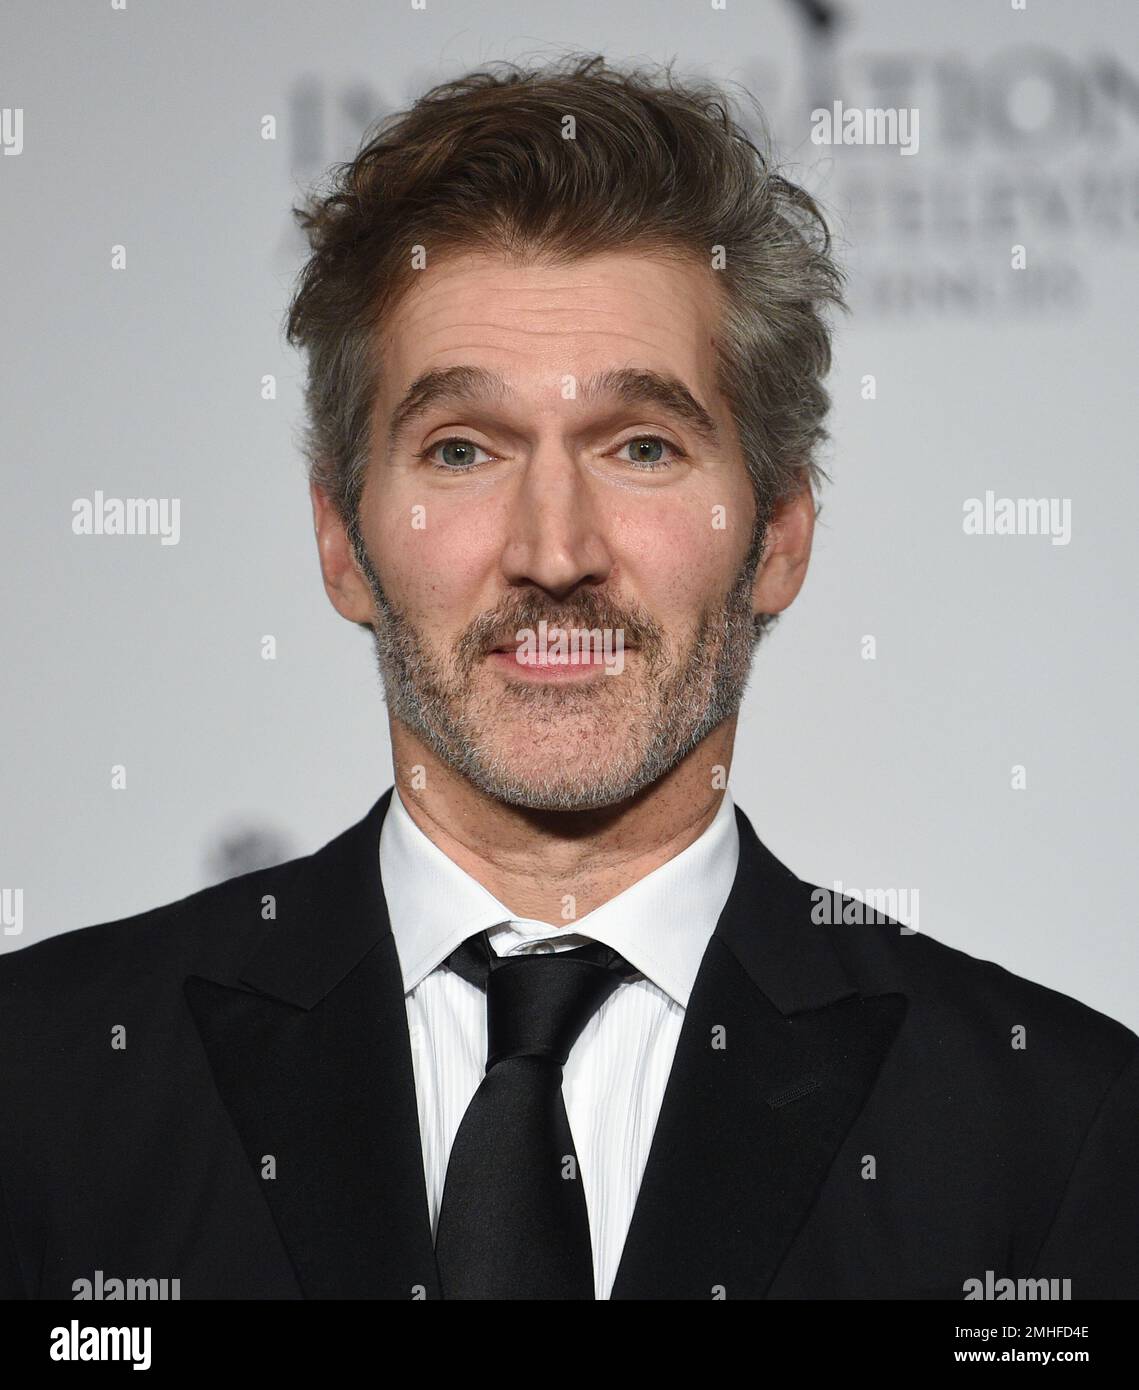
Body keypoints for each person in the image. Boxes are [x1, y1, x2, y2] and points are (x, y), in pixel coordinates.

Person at [1, 54, 1136, 1301]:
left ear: (781, 535)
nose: (553, 551)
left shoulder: (1056, 1135)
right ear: (340, 539)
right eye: (461, 448)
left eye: (640, 445)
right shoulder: (43, 1085)